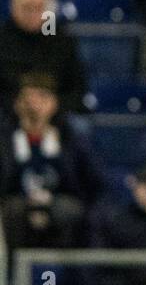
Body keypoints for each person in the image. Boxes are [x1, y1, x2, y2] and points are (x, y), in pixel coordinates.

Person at [0, 73, 99, 249]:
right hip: (17, 206)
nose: (33, 106)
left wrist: (57, 155)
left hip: (59, 203)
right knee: (12, 211)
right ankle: (12, 273)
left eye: (41, 98)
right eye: (28, 100)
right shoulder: (6, 139)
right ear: (17, 105)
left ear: (54, 104)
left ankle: (65, 272)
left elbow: (89, 183)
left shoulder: (71, 139)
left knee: (69, 211)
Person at [0, 0, 86, 109]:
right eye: (27, 8)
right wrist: (18, 105)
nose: (33, 14)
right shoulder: (3, 37)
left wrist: (54, 104)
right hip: (11, 112)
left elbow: (77, 88)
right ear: (13, 7)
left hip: (56, 113)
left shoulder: (59, 38)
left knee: (79, 125)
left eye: (39, 7)